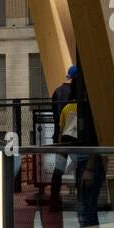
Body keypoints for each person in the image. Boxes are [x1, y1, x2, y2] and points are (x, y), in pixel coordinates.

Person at [68, 68, 104, 228]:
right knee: (86, 212)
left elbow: (98, 139)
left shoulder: (92, 108)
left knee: (87, 212)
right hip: (85, 162)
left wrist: (89, 167)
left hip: (88, 163)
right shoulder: (85, 107)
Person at [48, 65, 78, 209]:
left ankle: (53, 199)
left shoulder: (57, 92)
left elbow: (55, 115)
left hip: (60, 137)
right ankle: (80, 197)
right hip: (75, 138)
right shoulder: (77, 94)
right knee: (79, 165)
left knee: (58, 169)